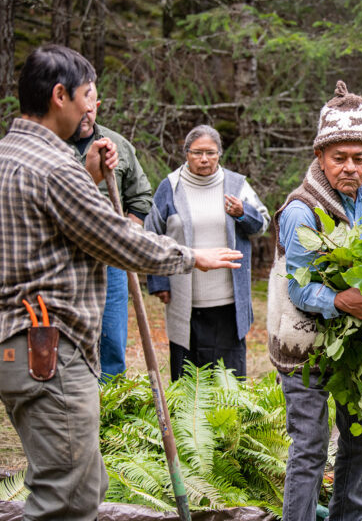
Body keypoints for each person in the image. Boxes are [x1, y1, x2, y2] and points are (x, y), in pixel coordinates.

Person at [0, 44, 241, 521]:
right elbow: (115, 240)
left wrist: (89, 178)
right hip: (49, 350)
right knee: (66, 501)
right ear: (59, 96)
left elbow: (59, 228)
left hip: (18, 348)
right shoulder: (53, 167)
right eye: (89, 96)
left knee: (73, 484)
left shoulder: (10, 153)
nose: (94, 107)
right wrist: (192, 257)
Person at [268, 81, 362, 521]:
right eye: (339, 158)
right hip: (304, 346)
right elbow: (299, 288)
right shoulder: (301, 210)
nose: (350, 168)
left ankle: (349, 517)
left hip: (359, 346)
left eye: (359, 158)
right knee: (309, 446)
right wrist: (340, 300)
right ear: (320, 157)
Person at [145, 125, 270, 381]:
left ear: (219, 154)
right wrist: (158, 281)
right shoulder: (170, 187)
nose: (204, 159)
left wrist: (242, 213)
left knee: (229, 381)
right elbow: (151, 233)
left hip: (228, 301)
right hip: (185, 300)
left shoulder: (236, 185)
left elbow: (263, 222)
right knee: (189, 379)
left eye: (211, 153)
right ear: (186, 153)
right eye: (197, 152)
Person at [66, 82, 154, 380]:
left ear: (97, 107)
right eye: (80, 110)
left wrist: (127, 231)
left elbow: (141, 195)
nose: (85, 116)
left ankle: (111, 394)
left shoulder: (117, 145)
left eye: (91, 110)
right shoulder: (53, 146)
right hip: (66, 257)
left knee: (112, 332)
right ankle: (73, 389)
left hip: (111, 258)